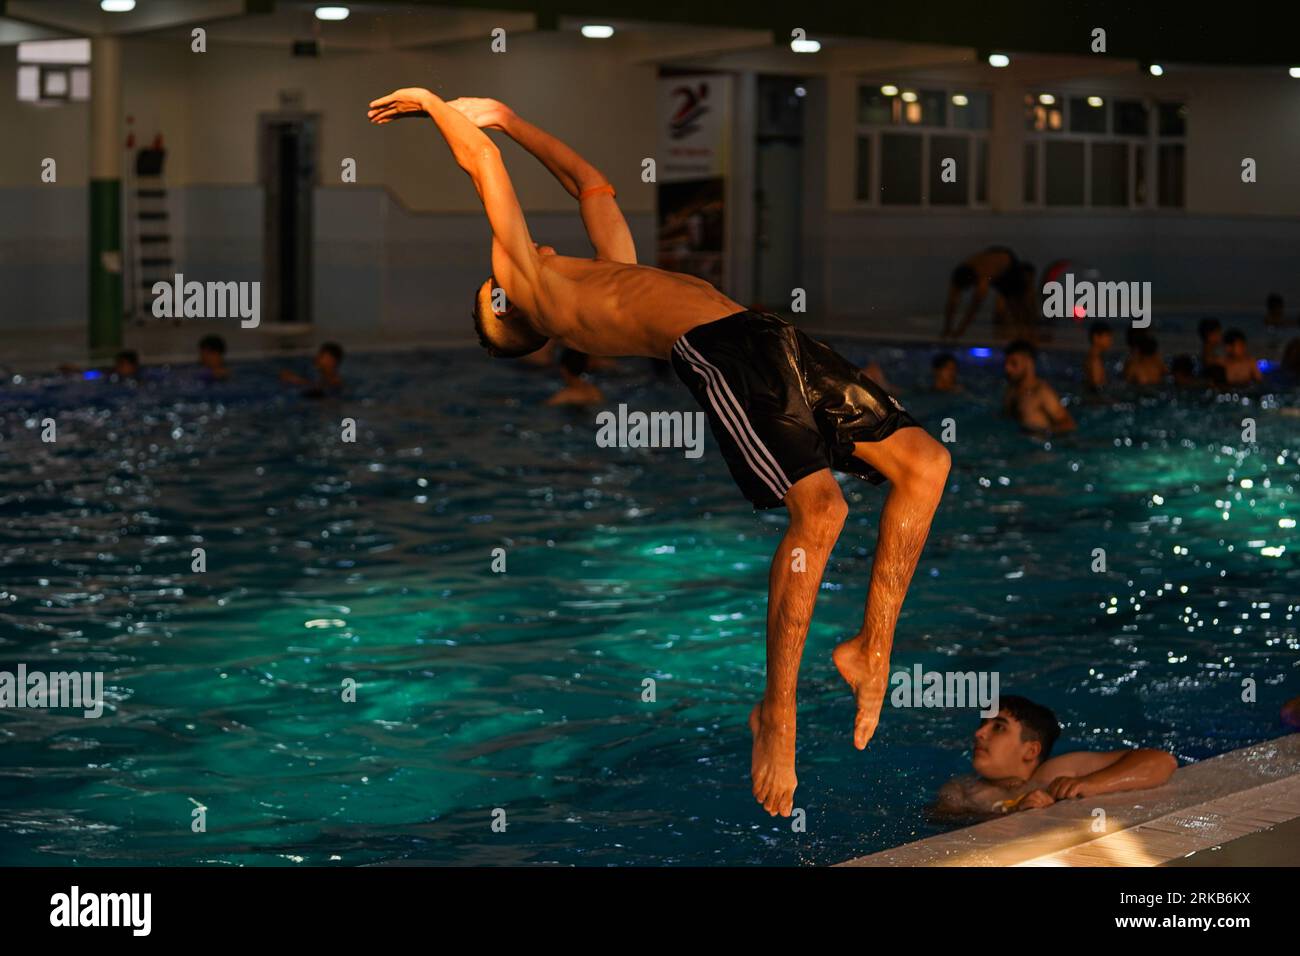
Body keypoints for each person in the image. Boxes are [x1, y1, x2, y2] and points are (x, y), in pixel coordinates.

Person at [370, 88, 951, 817]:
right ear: (503, 303)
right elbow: (480, 163)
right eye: (489, 285)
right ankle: (775, 712)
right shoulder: (535, 288)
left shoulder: (603, 279)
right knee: (821, 512)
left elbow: (592, 185)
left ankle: (872, 647)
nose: (501, 267)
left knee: (926, 462)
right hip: (722, 353)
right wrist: (432, 103)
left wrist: (514, 119)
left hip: (768, 335)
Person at [933, 696, 1178, 816]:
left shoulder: (1056, 772)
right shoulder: (961, 789)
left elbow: (1159, 761)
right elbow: (944, 828)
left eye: (998, 727)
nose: (979, 733)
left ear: (1031, 750)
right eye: (982, 724)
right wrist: (1012, 812)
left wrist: (1090, 783)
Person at [942, 247, 1035, 339]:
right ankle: (1022, 329)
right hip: (997, 258)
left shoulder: (983, 276)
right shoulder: (962, 271)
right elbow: (951, 303)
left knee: (1016, 304)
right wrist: (947, 327)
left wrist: (961, 330)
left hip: (1008, 265)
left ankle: (1027, 330)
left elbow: (974, 308)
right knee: (1006, 306)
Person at [1003, 340, 1075, 433]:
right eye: (1006, 363)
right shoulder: (1012, 391)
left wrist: (1042, 434)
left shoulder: (1042, 392)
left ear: (1029, 363)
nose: (1007, 368)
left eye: (1013, 363)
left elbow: (1068, 425)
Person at [1083, 321, 1112, 392]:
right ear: (1096, 337)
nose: (1110, 340)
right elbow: (1096, 388)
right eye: (1107, 336)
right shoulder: (1095, 361)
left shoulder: (1090, 357)